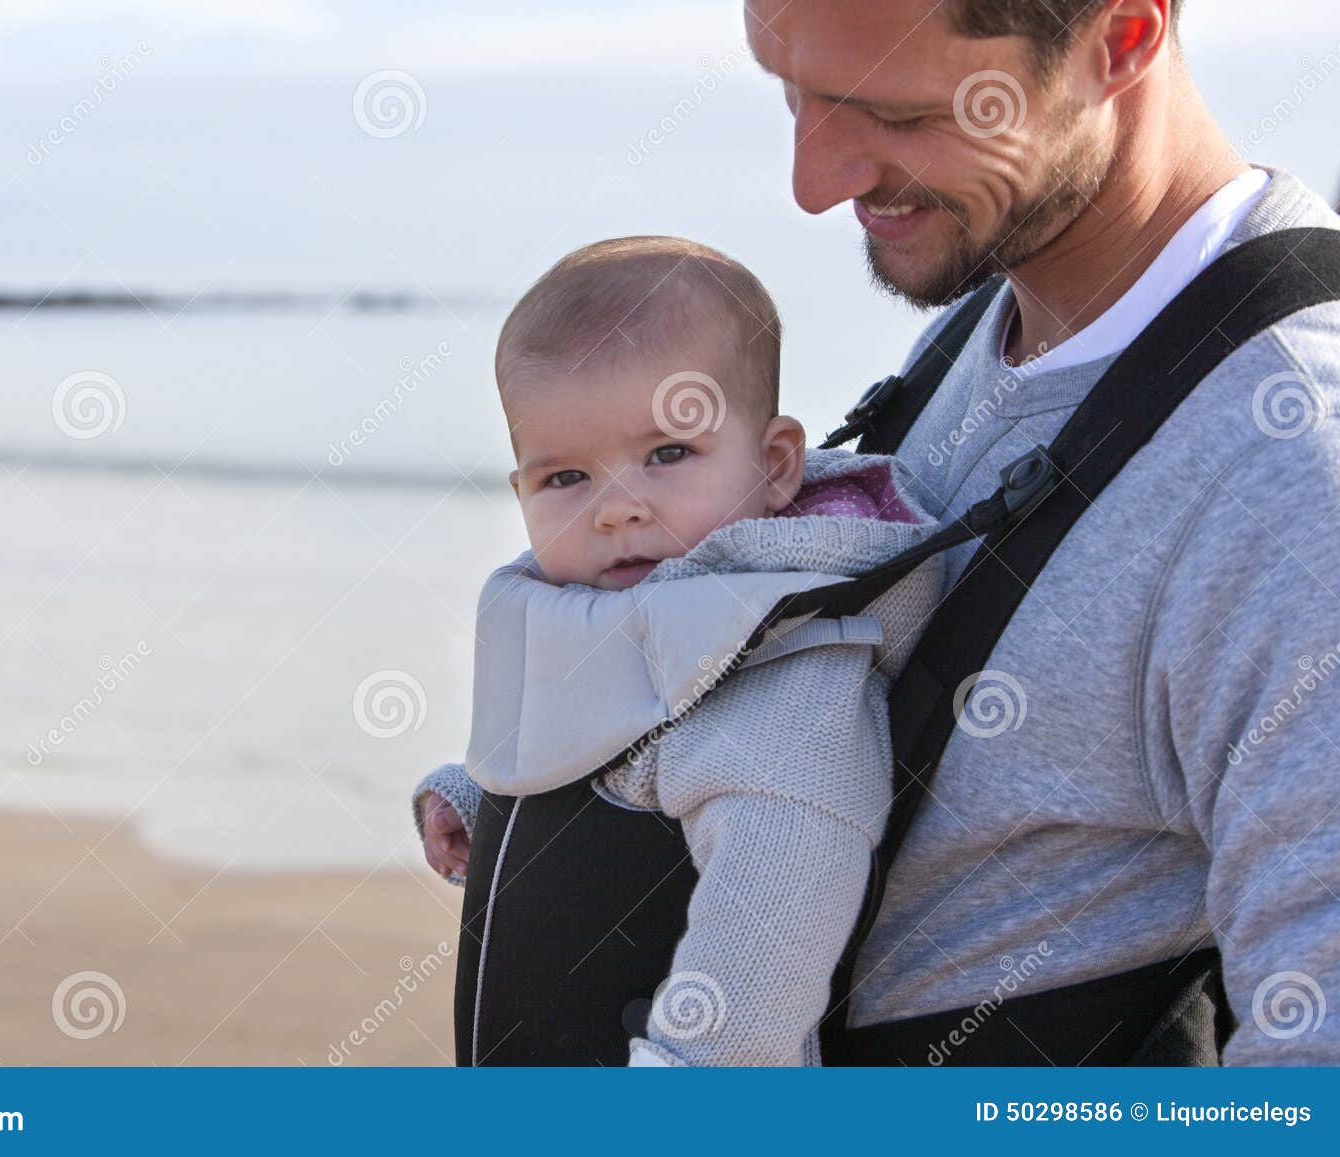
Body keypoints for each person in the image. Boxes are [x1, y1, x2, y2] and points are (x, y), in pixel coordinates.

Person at [423, 0, 1340, 1064]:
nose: (814, 183)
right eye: (795, 93)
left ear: (1121, 38)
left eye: (897, 114)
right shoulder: (994, 315)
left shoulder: (1290, 477)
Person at [411, 235, 946, 1064]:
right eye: (565, 478)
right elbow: (602, 739)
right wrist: (479, 800)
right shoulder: (627, 606)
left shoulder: (781, 663)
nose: (616, 508)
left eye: (667, 454)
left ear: (774, 464)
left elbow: (780, 900)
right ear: (520, 490)